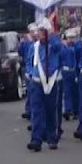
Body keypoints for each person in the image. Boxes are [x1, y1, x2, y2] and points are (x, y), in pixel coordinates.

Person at [26, 22, 62, 151]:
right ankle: (36, 140)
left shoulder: (54, 45)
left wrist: (51, 34)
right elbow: (29, 63)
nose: (40, 33)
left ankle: (52, 138)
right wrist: (31, 74)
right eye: (39, 31)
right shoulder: (34, 47)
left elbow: (61, 50)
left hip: (51, 82)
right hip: (36, 83)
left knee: (51, 111)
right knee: (37, 112)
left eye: (43, 31)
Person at [59, 29, 78, 123]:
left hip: (75, 71)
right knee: (67, 92)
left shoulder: (76, 47)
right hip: (66, 71)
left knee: (76, 92)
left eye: (72, 38)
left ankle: (75, 110)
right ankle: (68, 110)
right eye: (69, 38)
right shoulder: (63, 47)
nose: (71, 40)